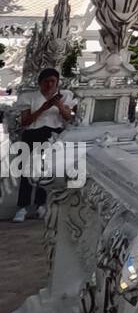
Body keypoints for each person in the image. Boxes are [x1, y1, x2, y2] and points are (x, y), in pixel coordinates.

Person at [11, 67, 77, 221]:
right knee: (27, 171)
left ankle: (41, 204)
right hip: (33, 134)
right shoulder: (29, 97)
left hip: (53, 135)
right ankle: (22, 207)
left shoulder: (65, 96)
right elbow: (25, 121)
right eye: (46, 82)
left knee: (46, 171)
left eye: (53, 82)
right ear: (40, 83)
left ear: (57, 83)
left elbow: (69, 118)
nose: (49, 85)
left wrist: (59, 105)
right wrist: (43, 108)